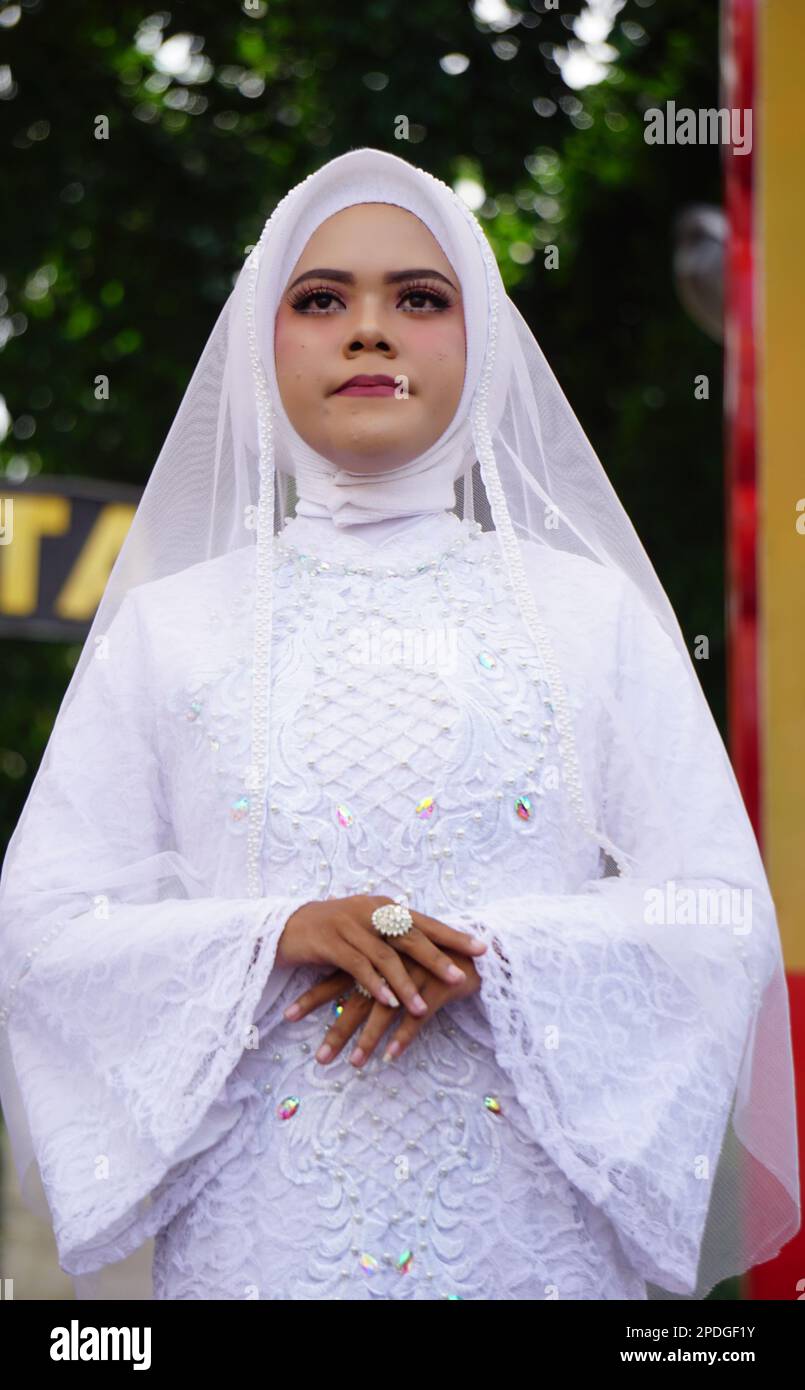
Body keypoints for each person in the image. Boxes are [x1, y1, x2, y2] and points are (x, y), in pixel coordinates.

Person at [0, 147, 798, 1302]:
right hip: (258, 1237)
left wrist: (493, 957)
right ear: (257, 340)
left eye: (419, 298)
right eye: (320, 299)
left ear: (480, 344)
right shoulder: (170, 629)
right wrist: (278, 931)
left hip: (532, 1235)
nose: (367, 331)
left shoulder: (588, 614)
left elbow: (718, 911)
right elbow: (47, 927)